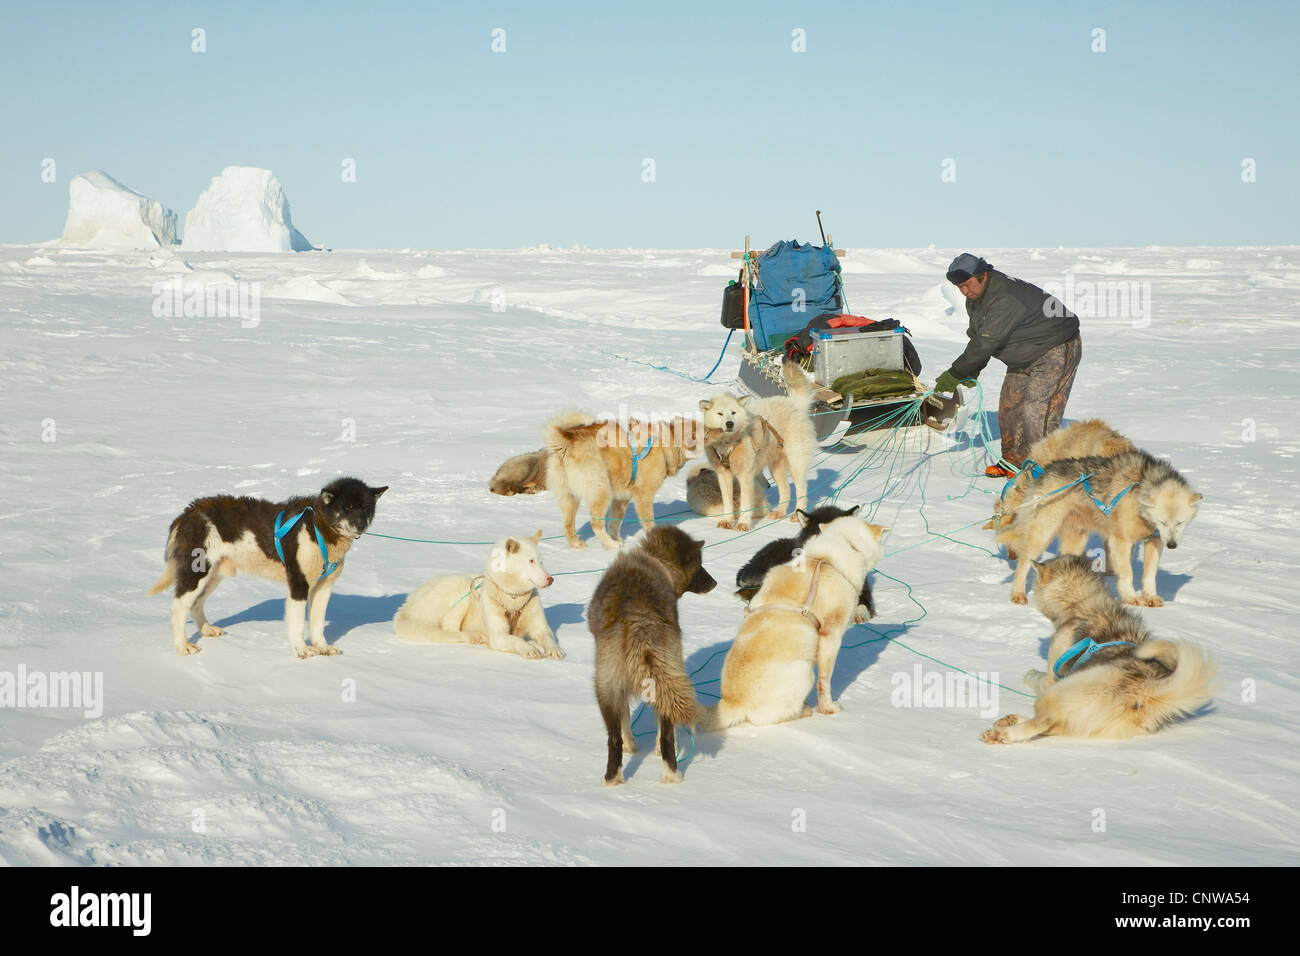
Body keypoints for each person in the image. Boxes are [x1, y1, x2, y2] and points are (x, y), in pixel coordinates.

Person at [933, 253, 1082, 479]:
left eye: (967, 284)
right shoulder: (976, 299)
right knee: (1009, 408)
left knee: (1037, 410)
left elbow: (986, 341)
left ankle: (1042, 471)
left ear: (982, 275)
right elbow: (979, 337)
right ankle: (1013, 462)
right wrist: (971, 371)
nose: (964, 291)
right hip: (1023, 353)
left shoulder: (1005, 298)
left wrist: (955, 374)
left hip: (1055, 346)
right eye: (960, 287)